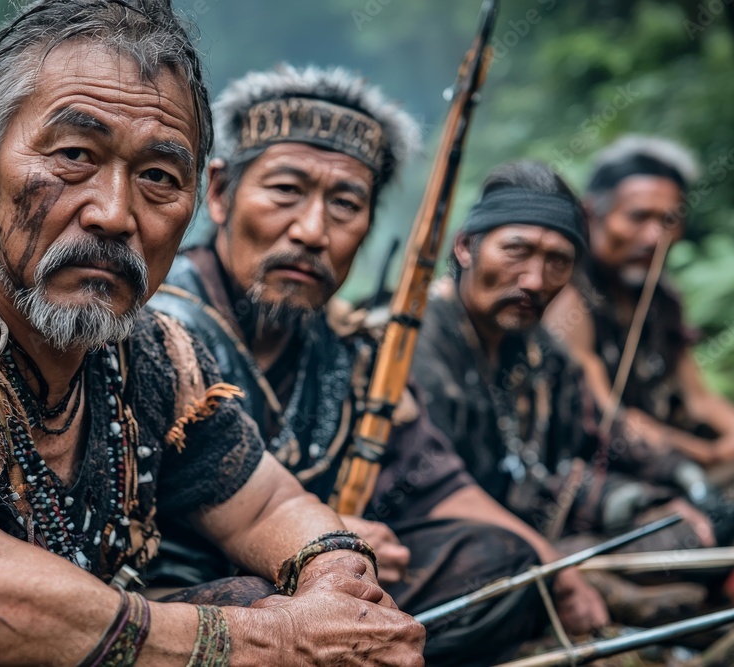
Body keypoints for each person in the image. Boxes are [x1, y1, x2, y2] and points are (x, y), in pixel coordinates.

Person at [0, 2, 426, 666]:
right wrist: (267, 638)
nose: (114, 213)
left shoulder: (144, 353)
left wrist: (332, 577)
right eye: (74, 155)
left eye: (158, 176)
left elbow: (267, 502)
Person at [147, 65, 609, 666]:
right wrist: (329, 544)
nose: (312, 231)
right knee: (253, 603)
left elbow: (440, 485)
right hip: (180, 606)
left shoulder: (350, 352)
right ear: (220, 192)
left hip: (325, 581)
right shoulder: (154, 328)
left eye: (345, 204)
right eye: (285, 190)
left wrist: (554, 567)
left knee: (502, 564)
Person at [412, 160, 717, 558]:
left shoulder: (542, 352)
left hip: (531, 525)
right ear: (466, 247)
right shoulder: (415, 346)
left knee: (683, 533)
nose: (535, 280)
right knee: (497, 560)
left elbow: (594, 438)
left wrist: (666, 487)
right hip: (452, 546)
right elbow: (428, 492)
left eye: (558, 261)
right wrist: (543, 555)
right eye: (516, 251)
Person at [544, 136, 734, 544]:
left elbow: (699, 398)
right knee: (690, 529)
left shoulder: (660, 297)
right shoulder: (570, 298)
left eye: (668, 220)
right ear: (592, 214)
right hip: (614, 479)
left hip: (676, 463)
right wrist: (714, 454)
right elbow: (611, 419)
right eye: (638, 216)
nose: (653, 236)